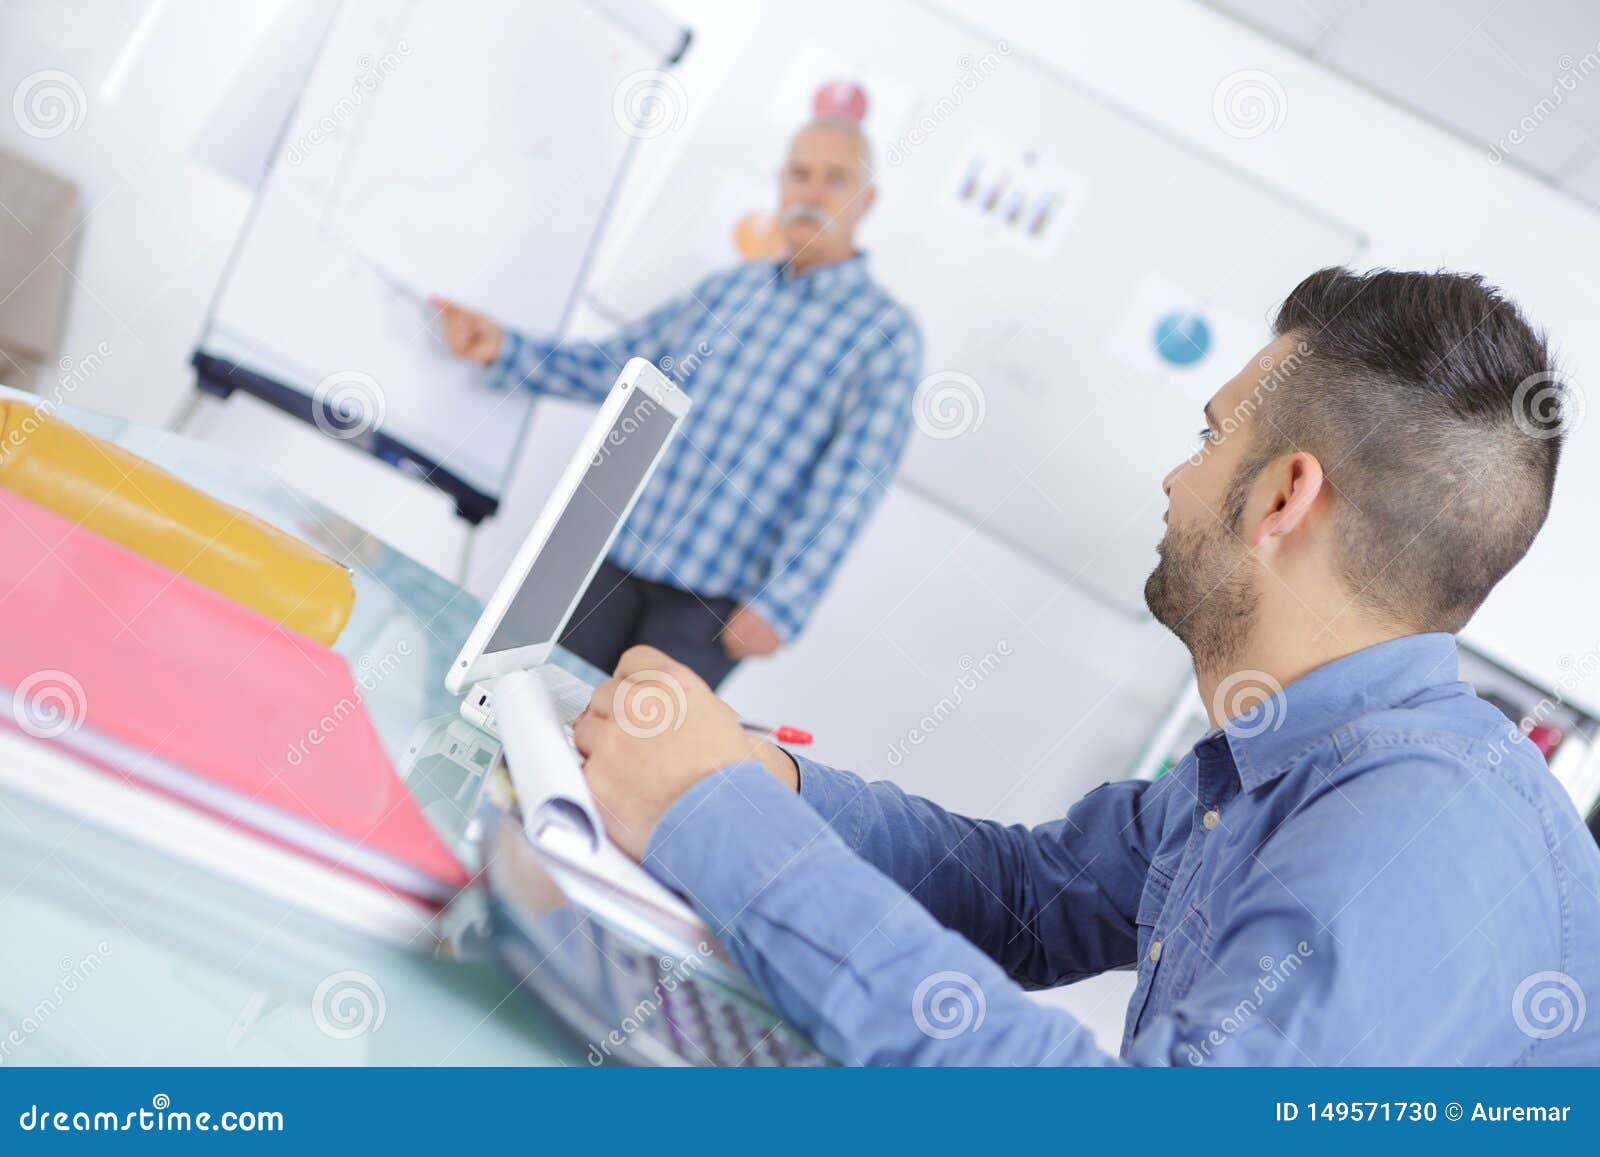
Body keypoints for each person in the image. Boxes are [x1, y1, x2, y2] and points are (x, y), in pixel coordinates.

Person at [571, 266, 1600, 1065]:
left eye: (1207, 438)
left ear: (1283, 496)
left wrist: (709, 811)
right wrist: (761, 779)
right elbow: (1024, 888)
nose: (1175, 476)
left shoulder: (1414, 831)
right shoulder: (1298, 753)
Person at [434, 118, 921, 688]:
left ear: (866, 200)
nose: (811, 193)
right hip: (611, 561)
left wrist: (783, 603)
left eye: (834, 179)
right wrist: (504, 350)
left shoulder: (885, 334)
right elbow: (619, 369)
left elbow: (853, 482)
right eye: (799, 173)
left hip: (708, 607)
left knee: (625, 761)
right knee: (531, 715)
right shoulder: (729, 289)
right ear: (781, 183)